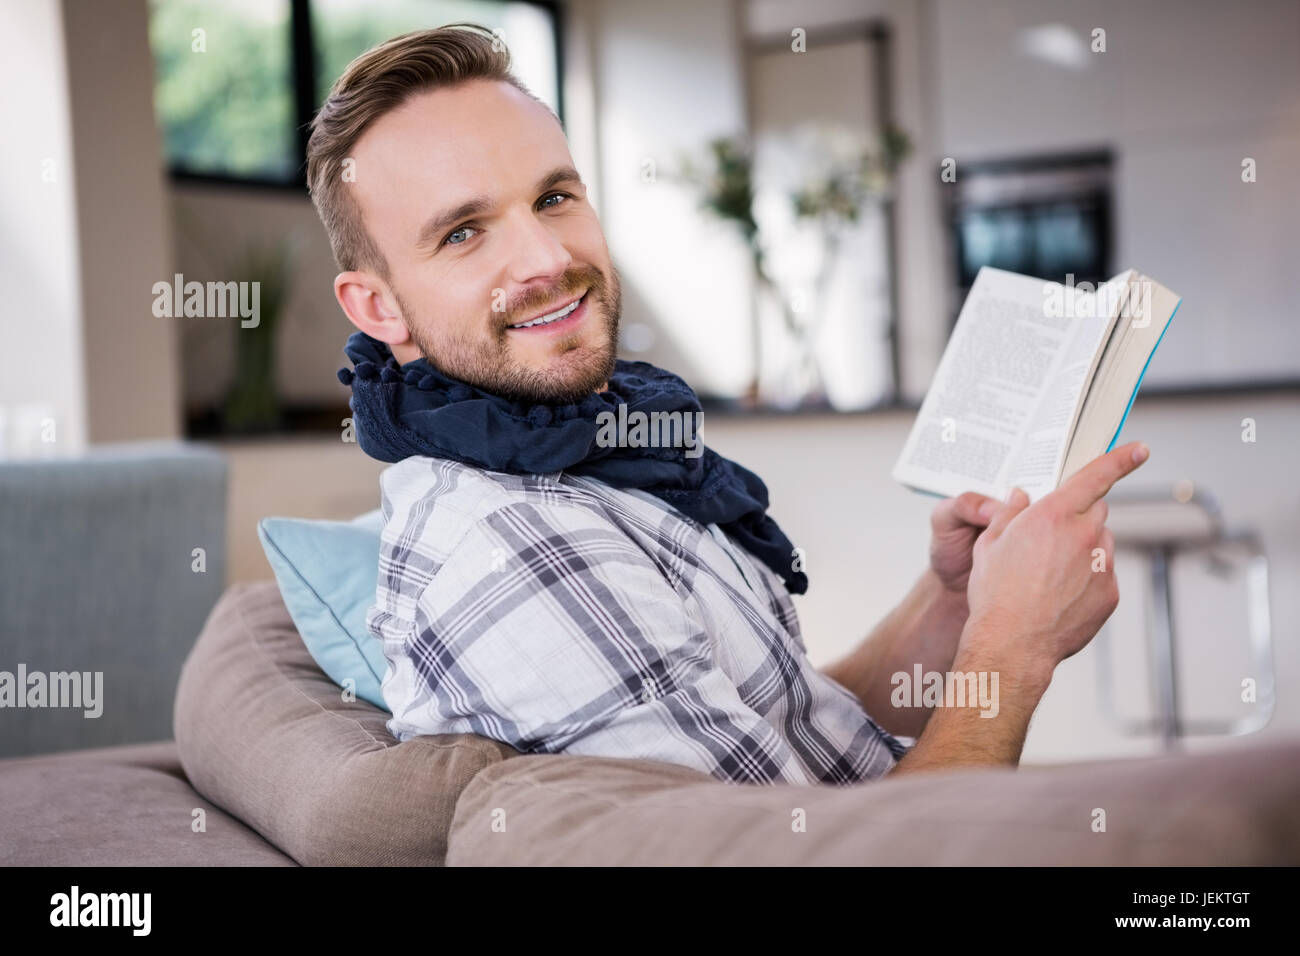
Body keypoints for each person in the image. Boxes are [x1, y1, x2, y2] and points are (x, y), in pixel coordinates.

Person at [307, 23, 1149, 785]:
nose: (545, 258)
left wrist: (955, 602)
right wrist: (1016, 649)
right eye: (464, 232)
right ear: (378, 308)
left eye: (554, 197)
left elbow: (793, 731)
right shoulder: (518, 543)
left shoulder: (598, 457)